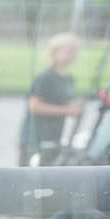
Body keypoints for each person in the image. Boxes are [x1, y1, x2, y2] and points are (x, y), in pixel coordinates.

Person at [22, 30, 80, 164]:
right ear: (55, 52)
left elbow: (61, 101)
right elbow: (34, 106)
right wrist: (67, 110)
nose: (73, 55)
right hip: (36, 138)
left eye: (75, 51)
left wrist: (73, 106)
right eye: (69, 51)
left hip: (54, 136)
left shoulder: (68, 78)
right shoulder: (46, 77)